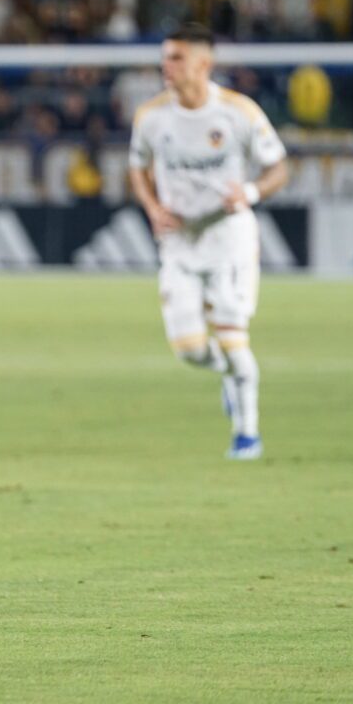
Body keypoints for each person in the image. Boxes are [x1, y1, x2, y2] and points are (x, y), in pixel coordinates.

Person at [126, 26, 291, 461]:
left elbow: (278, 168)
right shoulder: (151, 116)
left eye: (177, 58)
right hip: (178, 243)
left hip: (229, 238)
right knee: (191, 350)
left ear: (203, 64)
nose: (167, 66)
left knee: (234, 338)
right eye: (165, 57)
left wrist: (250, 194)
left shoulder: (239, 112)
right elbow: (137, 167)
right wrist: (151, 206)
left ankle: (247, 433)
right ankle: (231, 376)